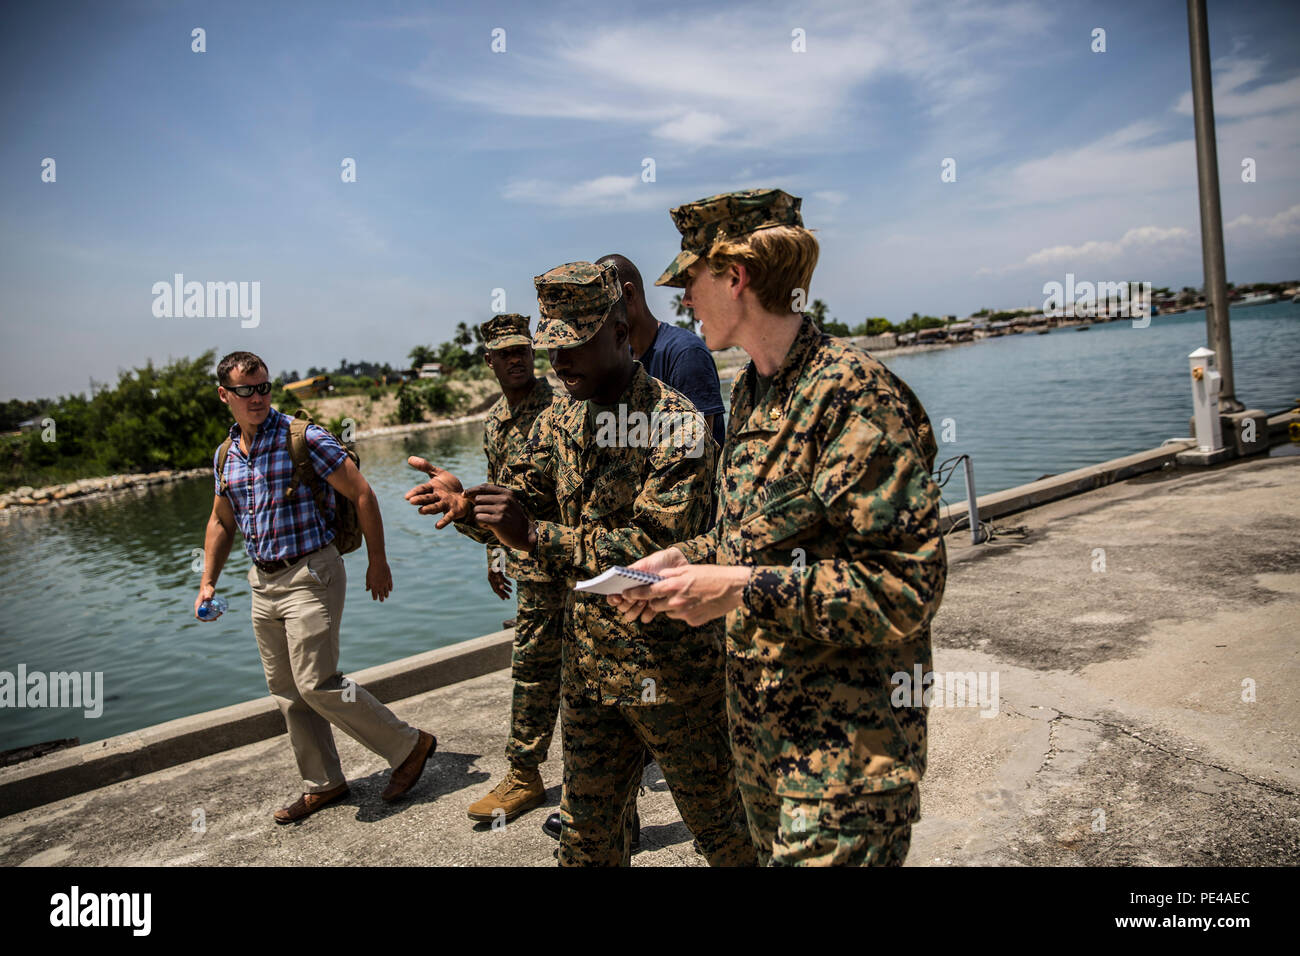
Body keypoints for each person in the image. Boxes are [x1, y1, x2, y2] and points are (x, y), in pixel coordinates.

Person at [610, 189, 947, 866]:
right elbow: (753, 536)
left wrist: (738, 588)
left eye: (692, 283)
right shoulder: (756, 390)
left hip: (846, 772)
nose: (683, 302)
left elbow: (905, 588)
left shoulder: (853, 395)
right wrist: (682, 559)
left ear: (735, 278)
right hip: (768, 760)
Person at [405, 261, 755, 866]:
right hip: (589, 675)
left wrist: (533, 535)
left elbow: (648, 553)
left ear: (620, 333)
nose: (559, 364)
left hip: (673, 678)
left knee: (725, 835)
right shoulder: (561, 419)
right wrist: (470, 507)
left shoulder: (677, 427)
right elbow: (520, 501)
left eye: (574, 346)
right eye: (552, 349)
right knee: (586, 844)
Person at [197, 350, 436, 824]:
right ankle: (324, 782)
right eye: (246, 389)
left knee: (316, 682)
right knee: (286, 691)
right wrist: (207, 582)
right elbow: (222, 522)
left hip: (312, 572)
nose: (257, 397)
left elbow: (362, 492)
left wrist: (378, 560)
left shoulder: (304, 438)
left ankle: (409, 745)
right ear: (225, 394)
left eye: (264, 386)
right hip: (262, 582)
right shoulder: (226, 455)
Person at [424, 313, 566, 824]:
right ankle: (525, 776)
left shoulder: (564, 407)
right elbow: (497, 491)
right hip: (531, 571)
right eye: (504, 352)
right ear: (488, 361)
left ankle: (610, 778)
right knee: (530, 674)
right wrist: (495, 550)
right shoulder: (494, 421)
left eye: (522, 349)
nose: (516, 358)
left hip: (572, 563)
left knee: (591, 681)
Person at [595, 253, 726, 447]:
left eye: (602, 305)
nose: (596, 318)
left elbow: (697, 451)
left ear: (629, 294)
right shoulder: (623, 361)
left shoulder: (685, 354)